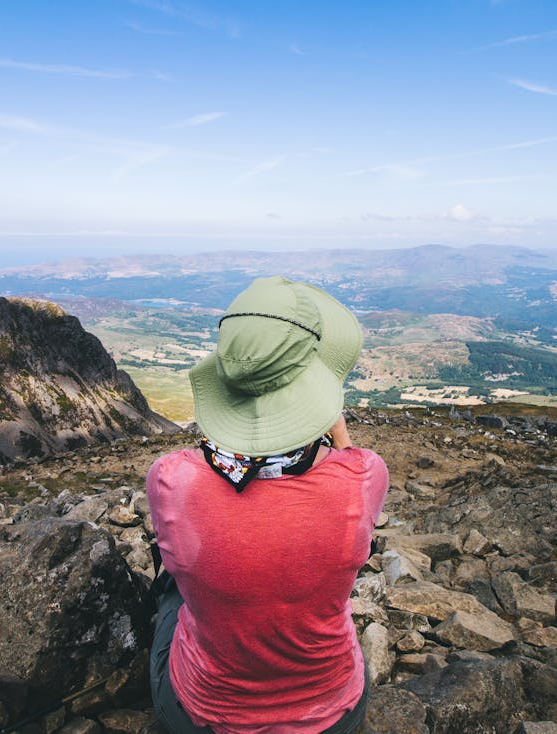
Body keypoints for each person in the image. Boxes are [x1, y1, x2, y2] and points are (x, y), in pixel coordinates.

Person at [146, 275, 389, 733]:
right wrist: (326, 414)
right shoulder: (364, 478)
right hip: (333, 713)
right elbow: (349, 457)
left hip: (204, 717)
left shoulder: (171, 479)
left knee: (173, 590)